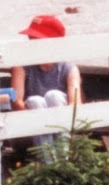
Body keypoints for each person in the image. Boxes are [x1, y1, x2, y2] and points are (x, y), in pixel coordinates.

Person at [8, 14, 82, 147]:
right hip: (31, 125)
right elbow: (17, 102)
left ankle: (62, 155)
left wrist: (52, 122)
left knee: (54, 96)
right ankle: (50, 163)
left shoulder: (68, 68)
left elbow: (75, 103)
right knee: (35, 101)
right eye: (31, 38)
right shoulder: (21, 66)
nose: (31, 42)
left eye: (36, 39)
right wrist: (38, 122)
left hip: (63, 125)